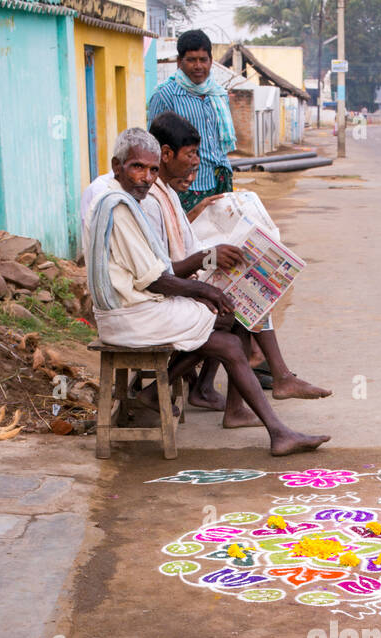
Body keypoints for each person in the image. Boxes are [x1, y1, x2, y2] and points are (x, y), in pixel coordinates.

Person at [83, 129, 328, 456]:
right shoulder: (121, 207)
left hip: (134, 308)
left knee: (227, 333)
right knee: (225, 314)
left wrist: (204, 288)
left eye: (152, 170)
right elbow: (156, 279)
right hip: (133, 315)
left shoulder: (123, 199)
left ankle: (276, 430)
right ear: (117, 166)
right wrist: (205, 291)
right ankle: (267, 421)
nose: (146, 178)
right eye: (137, 168)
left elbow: (159, 272)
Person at [144, 111, 331, 409]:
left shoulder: (166, 193)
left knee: (249, 282)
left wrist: (214, 254)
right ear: (166, 154)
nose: (195, 162)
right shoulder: (151, 200)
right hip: (167, 294)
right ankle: (252, 389)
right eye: (190, 154)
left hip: (181, 282)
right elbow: (160, 271)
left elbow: (180, 250)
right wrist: (209, 260)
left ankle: (243, 393)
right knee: (236, 305)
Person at [147, 30, 236, 214]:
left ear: (211, 61)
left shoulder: (218, 94)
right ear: (179, 62)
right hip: (186, 186)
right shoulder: (165, 95)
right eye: (191, 60)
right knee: (188, 238)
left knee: (220, 237)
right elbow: (154, 145)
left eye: (203, 60)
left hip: (219, 179)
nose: (198, 66)